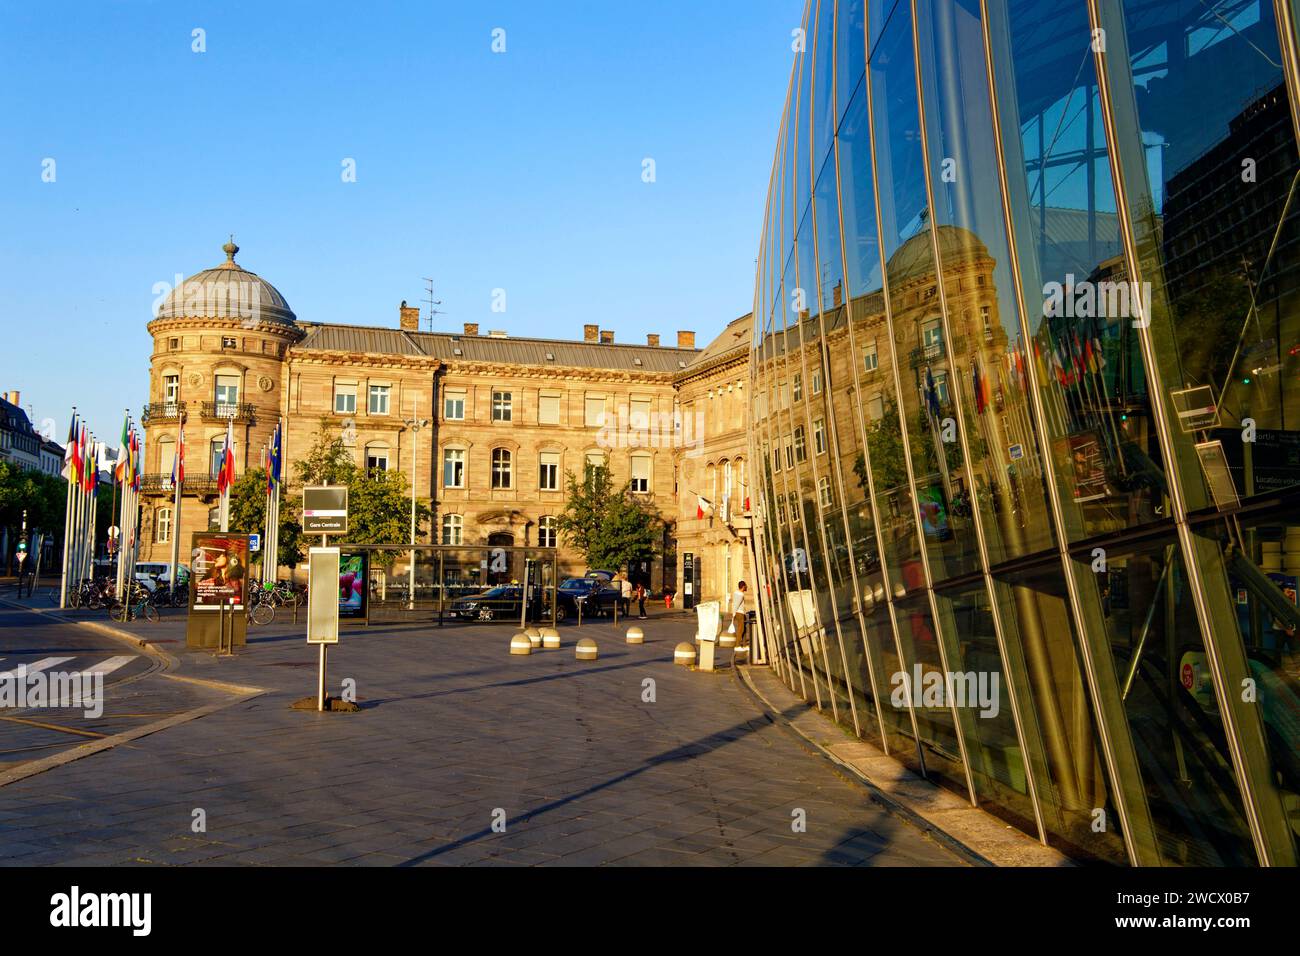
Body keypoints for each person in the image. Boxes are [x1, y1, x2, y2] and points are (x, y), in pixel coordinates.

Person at [731, 581, 748, 649]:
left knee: (744, 628)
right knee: (741, 629)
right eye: (745, 586)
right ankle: (737, 645)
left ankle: (744, 645)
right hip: (739, 613)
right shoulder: (740, 595)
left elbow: (735, 603)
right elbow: (737, 604)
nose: (746, 587)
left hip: (740, 613)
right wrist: (734, 613)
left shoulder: (736, 593)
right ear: (743, 587)